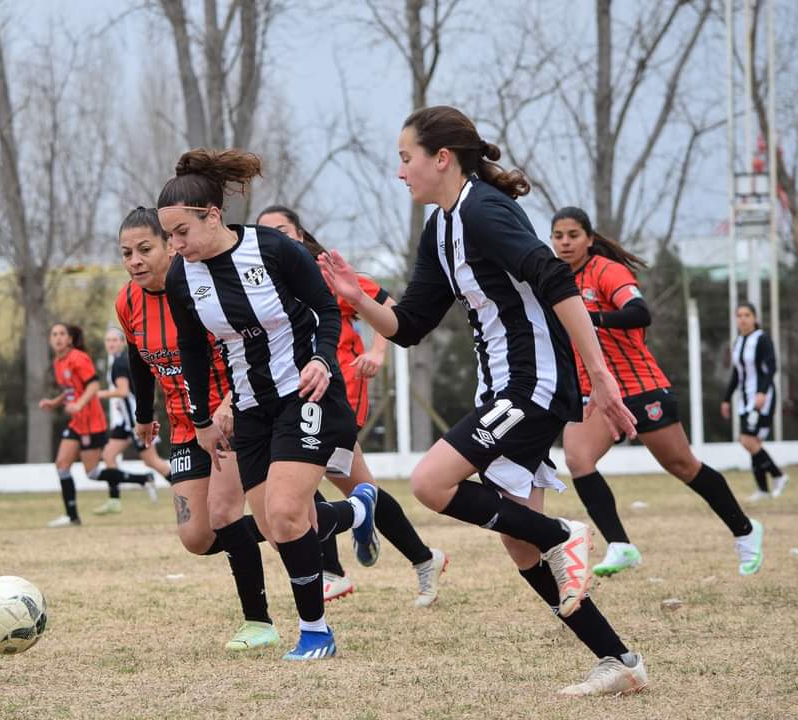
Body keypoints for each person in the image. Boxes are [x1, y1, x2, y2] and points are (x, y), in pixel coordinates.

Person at [319, 106, 647, 695]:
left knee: (430, 482)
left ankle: (565, 536)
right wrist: (355, 299)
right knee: (519, 545)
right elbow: (411, 323)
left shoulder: (483, 210)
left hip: (532, 383)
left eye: (405, 158)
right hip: (500, 387)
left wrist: (600, 375)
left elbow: (554, 279)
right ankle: (618, 660)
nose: (400, 173)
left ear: (440, 158)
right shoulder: (440, 227)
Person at [159, 151, 381, 661]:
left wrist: (324, 360)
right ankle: (360, 507)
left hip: (308, 392)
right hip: (251, 408)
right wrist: (200, 419)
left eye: (181, 233)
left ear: (212, 216)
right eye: (169, 235)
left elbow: (327, 308)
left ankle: (316, 632)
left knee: (284, 514)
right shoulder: (181, 278)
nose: (176, 245)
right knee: (282, 530)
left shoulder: (274, 249)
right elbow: (192, 349)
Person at [551, 206, 764, 578]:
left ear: (589, 238)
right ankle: (620, 545)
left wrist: (592, 318)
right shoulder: (554, 280)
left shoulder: (607, 270)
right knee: (578, 458)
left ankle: (746, 531)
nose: (565, 242)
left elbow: (639, 312)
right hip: (598, 394)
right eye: (558, 236)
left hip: (640, 386)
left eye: (573, 235)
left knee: (682, 466)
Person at [256, 204, 448, 608]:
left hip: (334, 398)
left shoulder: (324, 274)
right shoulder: (260, 286)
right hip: (285, 403)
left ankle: (347, 564)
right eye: (265, 232)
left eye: (283, 231)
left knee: (330, 488)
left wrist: (378, 352)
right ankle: (404, 557)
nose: (275, 239)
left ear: (301, 236)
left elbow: (387, 307)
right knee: (347, 489)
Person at [91, 327, 169, 515]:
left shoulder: (119, 363)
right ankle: (114, 500)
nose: (111, 343)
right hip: (126, 422)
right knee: (109, 455)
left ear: (122, 342)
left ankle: (184, 489)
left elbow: (123, 391)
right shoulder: (121, 361)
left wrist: (96, 394)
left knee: (152, 461)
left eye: (115, 340)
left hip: (136, 421)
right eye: (108, 340)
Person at [38, 322, 109, 528]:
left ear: (70, 339)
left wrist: (78, 404)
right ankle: (72, 516)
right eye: (54, 334)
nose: (58, 338)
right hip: (77, 422)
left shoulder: (78, 358)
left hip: (91, 420)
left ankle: (141, 479)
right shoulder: (58, 362)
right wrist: (54, 402)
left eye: (62, 334)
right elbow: (71, 389)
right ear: (50, 340)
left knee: (93, 473)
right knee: (62, 465)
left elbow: (94, 384)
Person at [722, 302, 788, 500]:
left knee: (747, 440)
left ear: (755, 318)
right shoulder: (738, 342)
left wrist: (762, 392)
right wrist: (726, 399)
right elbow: (736, 374)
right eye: (739, 315)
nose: (743, 319)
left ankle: (778, 475)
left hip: (761, 398)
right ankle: (763, 489)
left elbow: (772, 368)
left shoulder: (762, 339)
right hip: (744, 399)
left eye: (747, 315)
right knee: (754, 443)